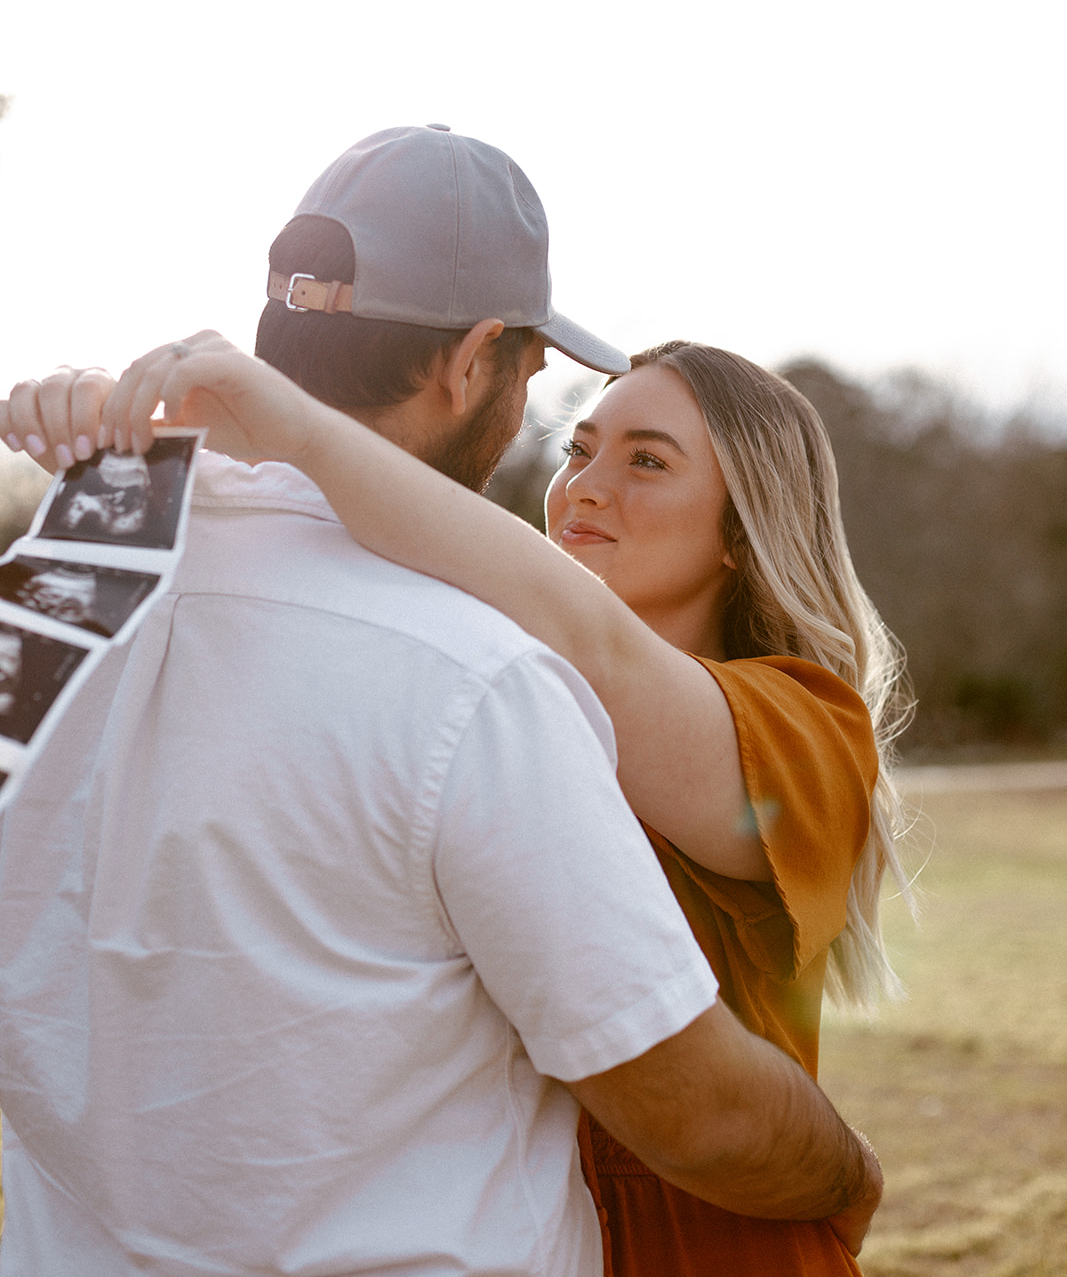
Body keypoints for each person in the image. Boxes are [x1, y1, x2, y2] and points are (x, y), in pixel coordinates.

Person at [0, 124, 882, 1277]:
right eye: (567, 428)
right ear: (473, 364)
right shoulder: (477, 672)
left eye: (648, 460)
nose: (580, 485)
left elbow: (589, 647)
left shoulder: (43, 615)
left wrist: (224, 444)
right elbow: (692, 1106)